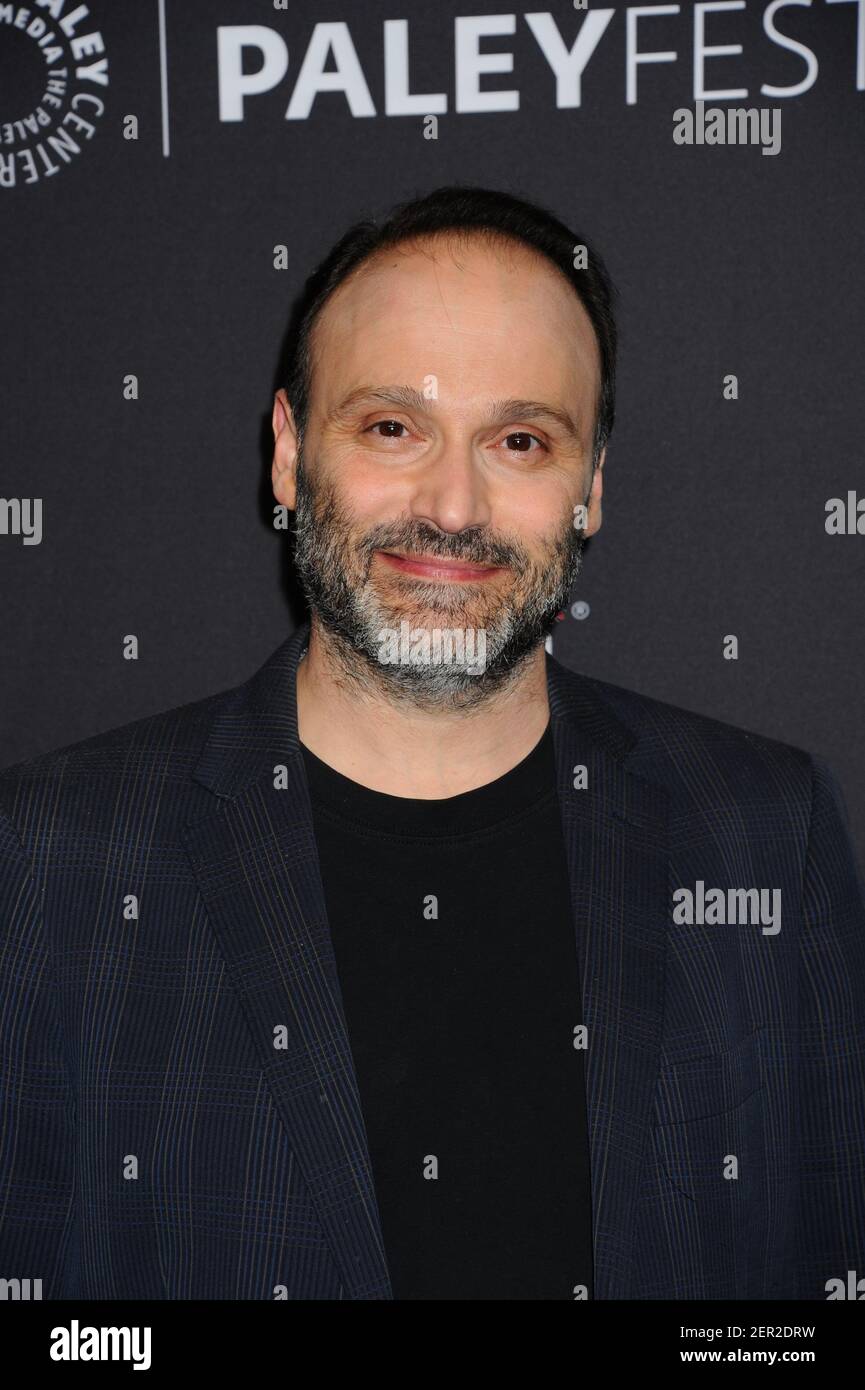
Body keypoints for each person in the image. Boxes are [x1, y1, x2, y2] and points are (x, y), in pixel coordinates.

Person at [1, 186, 863, 1301]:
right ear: (287, 454)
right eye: (392, 427)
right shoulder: (53, 860)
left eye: (518, 439)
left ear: (588, 488)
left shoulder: (761, 832)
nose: (452, 507)